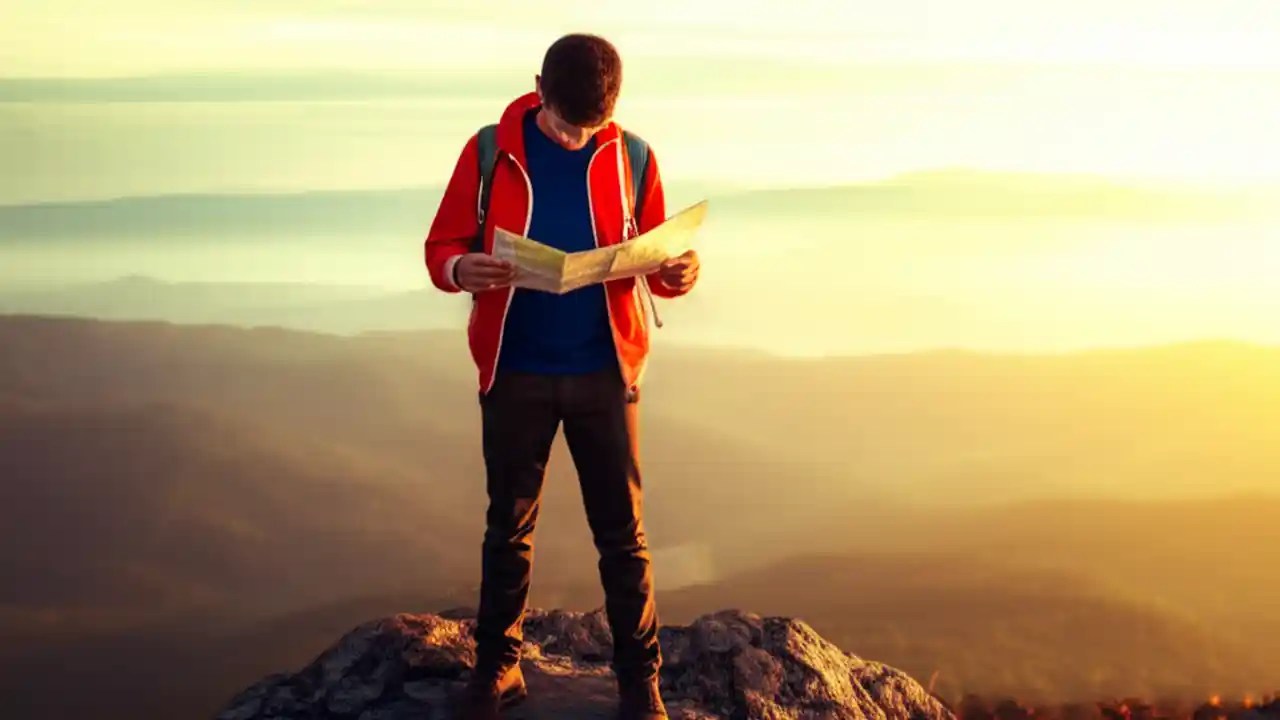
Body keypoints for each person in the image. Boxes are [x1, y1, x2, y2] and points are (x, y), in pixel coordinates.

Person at [423, 33, 700, 720]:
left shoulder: (633, 157)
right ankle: (498, 669)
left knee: (622, 534)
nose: (577, 140)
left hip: (605, 372)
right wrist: (463, 269)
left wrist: (678, 274)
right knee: (508, 527)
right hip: (515, 366)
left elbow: (656, 257)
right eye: (565, 126)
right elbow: (442, 246)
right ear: (537, 88)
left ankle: (641, 684)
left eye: (592, 128)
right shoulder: (491, 150)